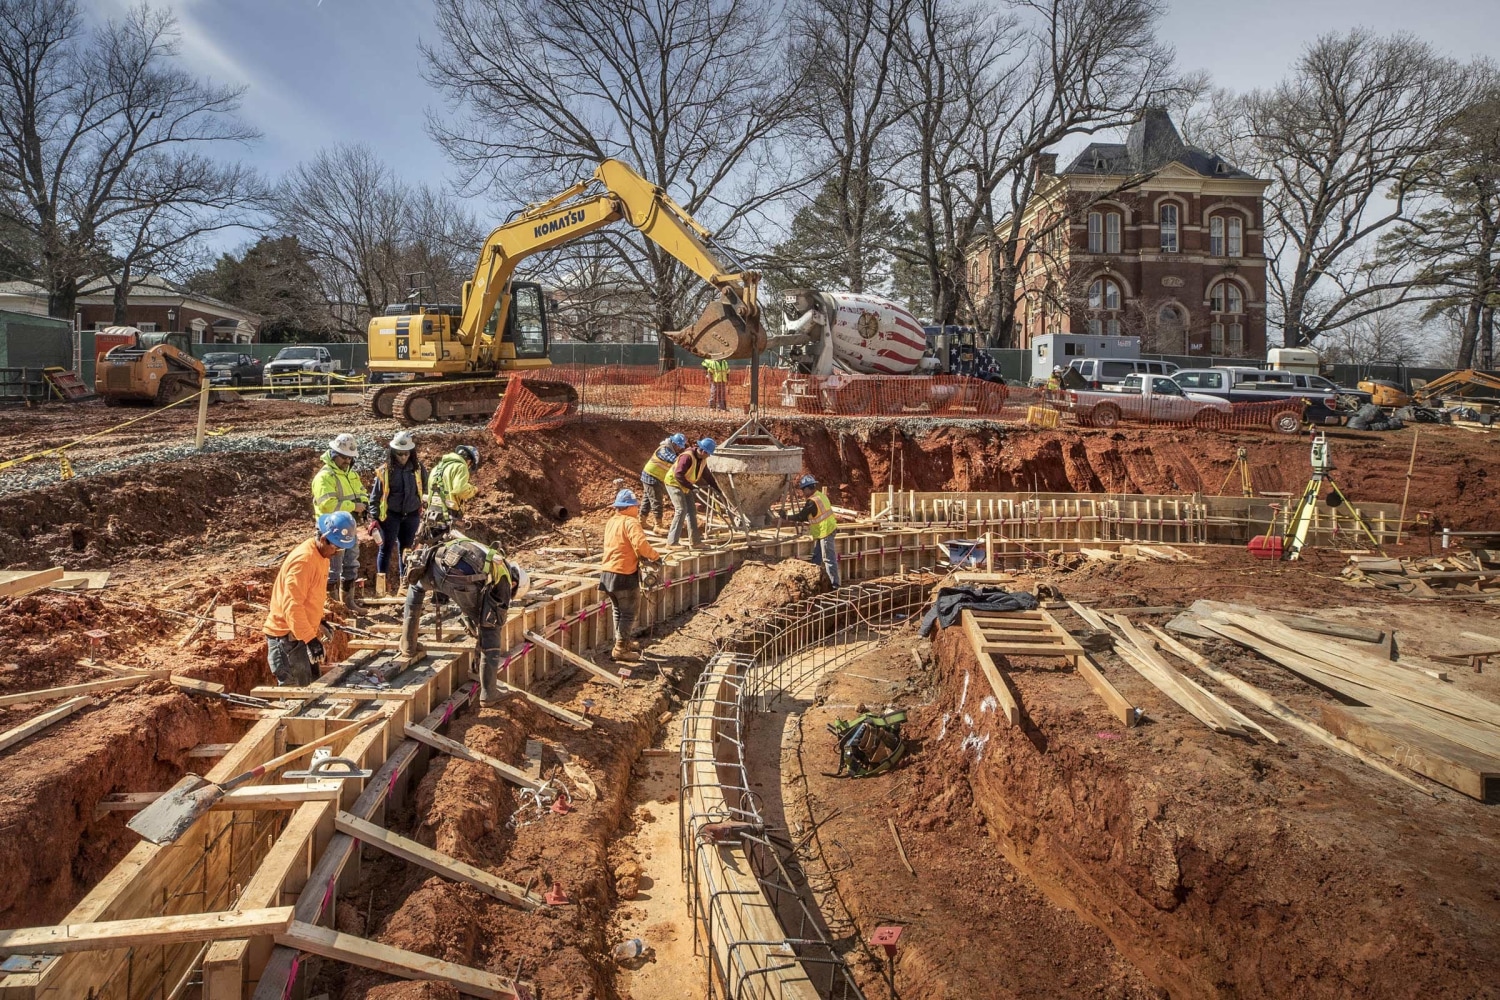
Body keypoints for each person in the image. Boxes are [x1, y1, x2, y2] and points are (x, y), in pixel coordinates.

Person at [401, 533, 529, 704]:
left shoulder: (489, 554)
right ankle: (489, 693)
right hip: (461, 581)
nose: (509, 595)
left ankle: (408, 646)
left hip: (437, 564)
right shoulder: (504, 577)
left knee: (416, 588)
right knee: (491, 630)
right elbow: (493, 618)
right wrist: (482, 627)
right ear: (514, 584)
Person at [263, 512, 358, 686]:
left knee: (312, 686)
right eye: (336, 547)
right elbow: (292, 606)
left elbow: (311, 595)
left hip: (299, 633)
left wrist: (319, 620)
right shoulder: (304, 562)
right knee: (297, 694)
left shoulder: (322, 555)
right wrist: (310, 639)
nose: (337, 553)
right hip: (286, 638)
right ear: (324, 539)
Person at [599, 488, 662, 663]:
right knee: (628, 613)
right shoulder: (631, 522)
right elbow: (641, 544)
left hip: (607, 573)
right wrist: (655, 557)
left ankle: (621, 642)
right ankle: (620, 649)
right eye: (635, 505)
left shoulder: (612, 521)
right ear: (628, 507)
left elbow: (623, 544)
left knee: (618, 610)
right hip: (624, 574)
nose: (637, 508)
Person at [311, 433, 368, 610]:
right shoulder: (324, 477)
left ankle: (348, 604)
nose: (347, 461)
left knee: (351, 565)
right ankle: (333, 607)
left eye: (350, 458)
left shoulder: (351, 474)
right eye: (344, 457)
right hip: (331, 531)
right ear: (334, 454)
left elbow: (362, 492)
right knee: (332, 570)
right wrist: (354, 506)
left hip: (349, 527)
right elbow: (328, 505)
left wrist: (364, 503)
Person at [369, 431, 427, 594]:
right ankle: (381, 587)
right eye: (399, 454)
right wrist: (374, 518)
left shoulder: (418, 469)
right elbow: (375, 497)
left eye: (406, 454)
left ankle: (404, 584)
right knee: (385, 549)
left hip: (411, 515)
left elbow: (425, 489)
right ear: (393, 452)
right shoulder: (385, 471)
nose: (403, 457)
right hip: (390, 516)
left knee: (407, 550)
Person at [778, 474, 840, 587]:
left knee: (828, 559)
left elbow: (802, 516)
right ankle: (815, 582)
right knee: (817, 557)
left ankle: (835, 585)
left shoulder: (812, 502)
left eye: (803, 489)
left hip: (825, 531)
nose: (802, 492)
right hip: (825, 530)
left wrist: (786, 517)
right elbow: (812, 515)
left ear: (808, 488)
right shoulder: (820, 496)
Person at [665, 437, 718, 549]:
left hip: (685, 486)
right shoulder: (687, 457)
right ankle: (671, 542)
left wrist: (718, 489)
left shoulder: (702, 459)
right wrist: (692, 487)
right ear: (703, 451)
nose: (709, 456)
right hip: (674, 483)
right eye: (708, 454)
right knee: (681, 510)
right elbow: (678, 474)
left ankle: (695, 542)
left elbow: (707, 476)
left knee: (692, 512)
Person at [639, 433, 687, 532]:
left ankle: (641, 521)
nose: (679, 448)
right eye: (678, 446)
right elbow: (674, 460)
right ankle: (658, 525)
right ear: (673, 443)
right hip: (651, 476)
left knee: (647, 500)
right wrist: (686, 460)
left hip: (653, 476)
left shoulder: (671, 450)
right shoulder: (664, 450)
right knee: (656, 501)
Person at [426, 445, 480, 522]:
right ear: (469, 461)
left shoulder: (437, 467)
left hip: (431, 510)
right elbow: (460, 490)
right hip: (448, 511)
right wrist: (474, 490)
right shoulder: (461, 467)